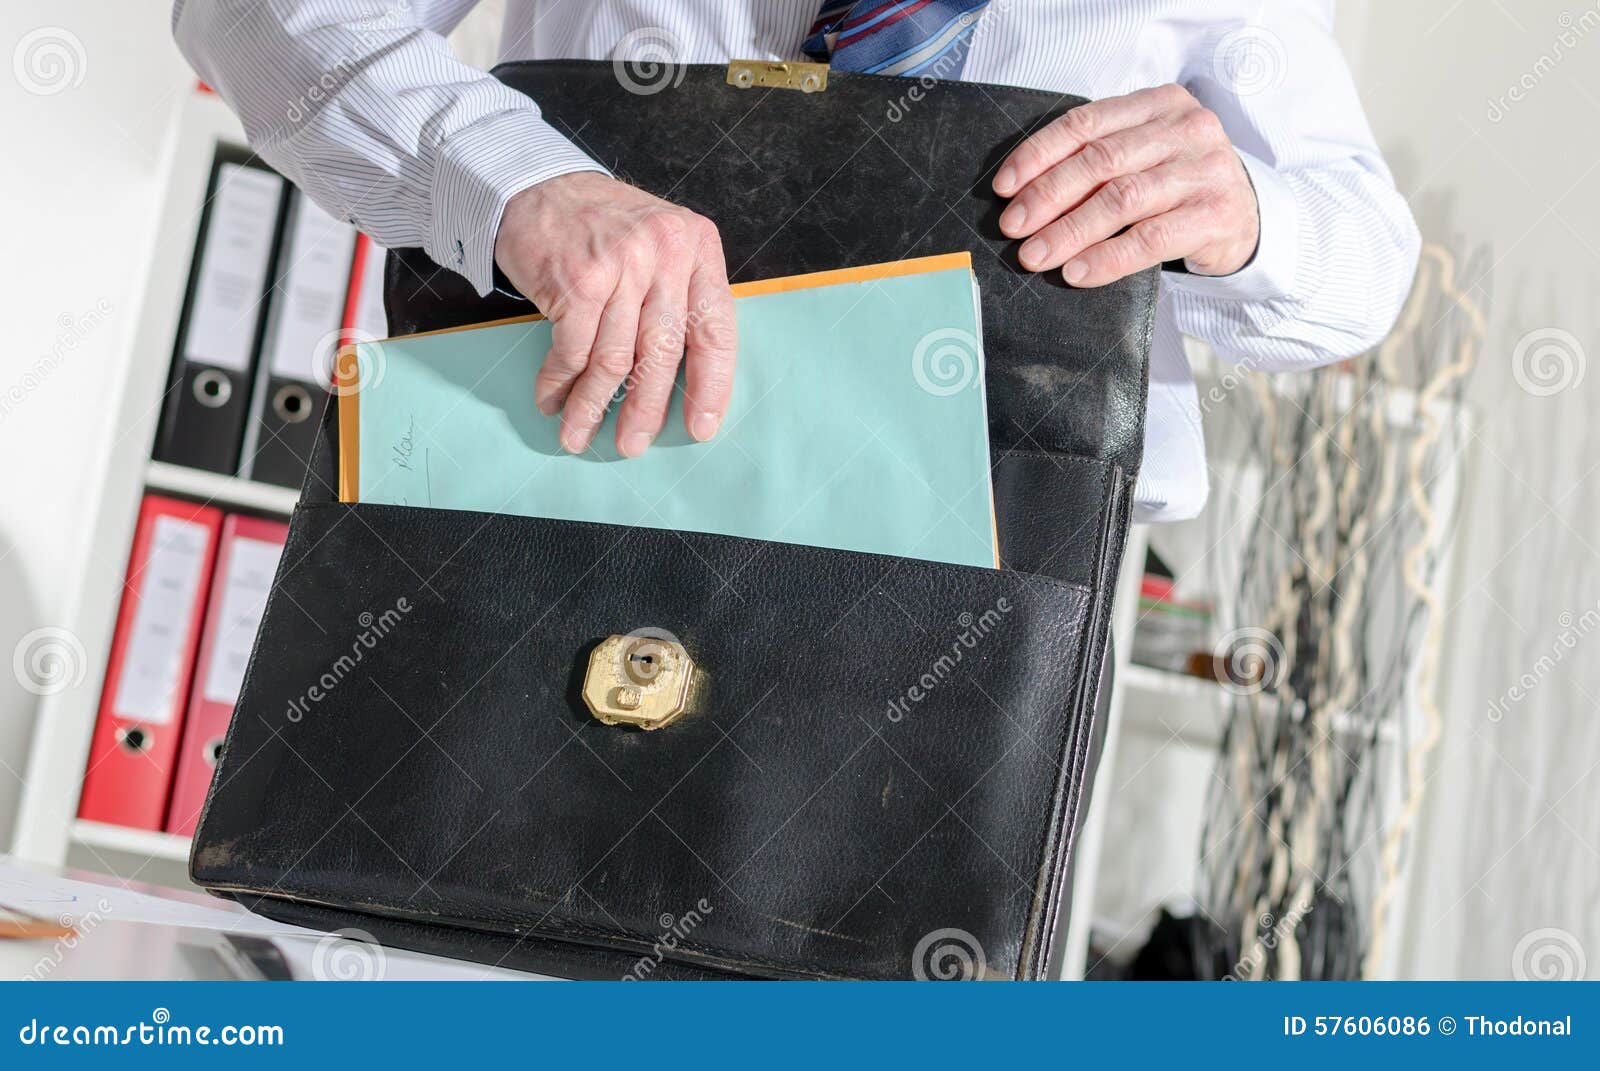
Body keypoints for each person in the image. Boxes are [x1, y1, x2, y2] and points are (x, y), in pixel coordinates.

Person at [174, 0, 1418, 522]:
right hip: (556, 466)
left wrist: (1249, 216)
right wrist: (517, 185)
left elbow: (1369, 261)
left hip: (987, 554)